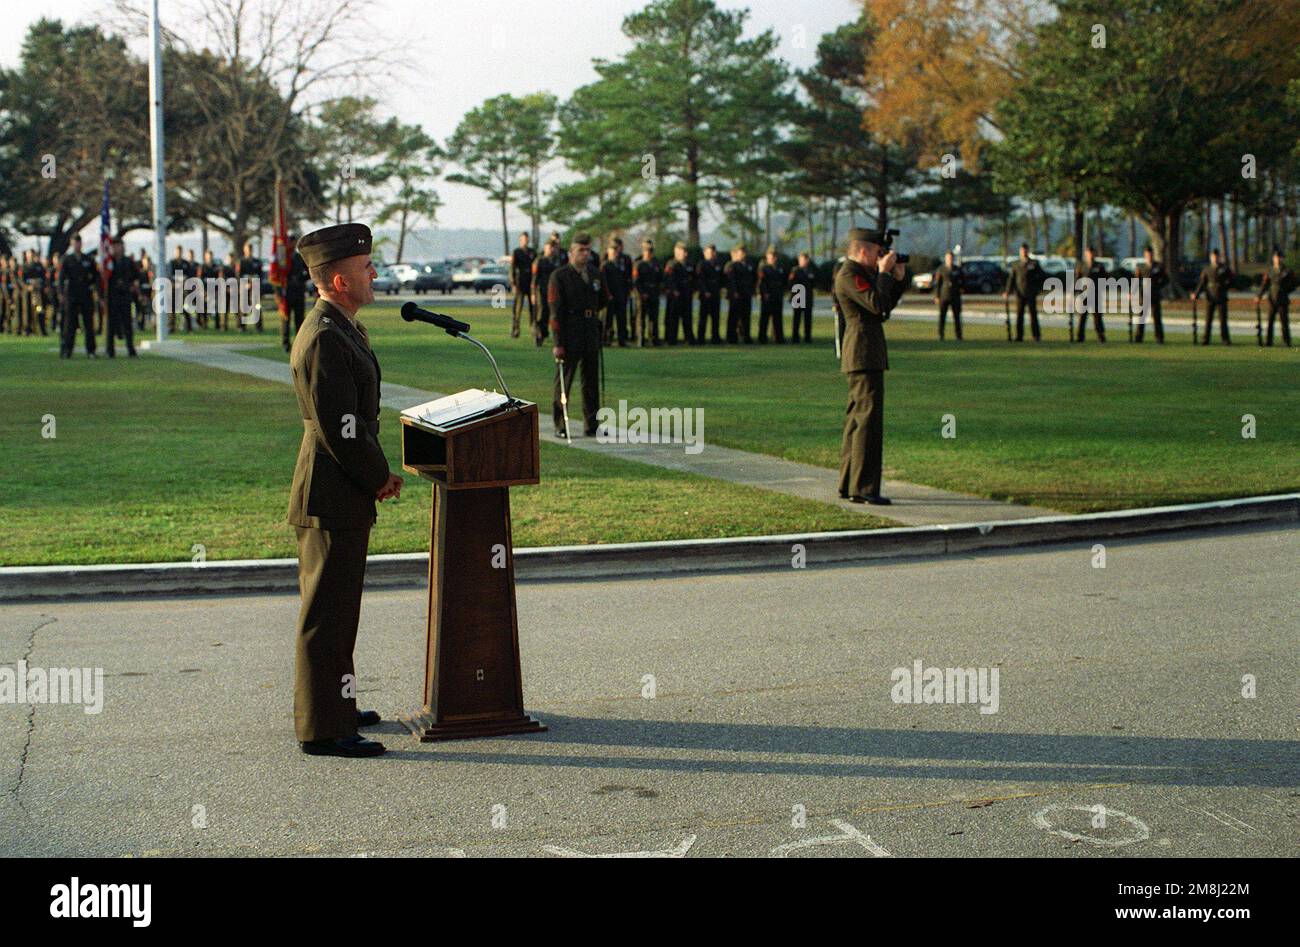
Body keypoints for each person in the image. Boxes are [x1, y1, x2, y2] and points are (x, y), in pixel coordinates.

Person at [287, 223, 402, 759]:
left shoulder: (342, 326)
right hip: (331, 489)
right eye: (364, 268)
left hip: (339, 488)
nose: (373, 273)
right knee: (327, 613)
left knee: (341, 608)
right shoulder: (326, 336)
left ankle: (338, 703)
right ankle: (323, 729)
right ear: (337, 279)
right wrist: (379, 475)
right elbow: (342, 427)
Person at [834, 228, 905, 505]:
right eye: (877, 252)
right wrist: (885, 275)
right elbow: (877, 305)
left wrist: (895, 280)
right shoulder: (850, 274)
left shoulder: (859, 274)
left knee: (857, 420)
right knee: (867, 422)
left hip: (866, 353)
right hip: (863, 354)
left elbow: (883, 307)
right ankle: (863, 487)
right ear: (863, 250)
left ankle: (849, 482)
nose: (880, 257)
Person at [549, 233, 604, 437]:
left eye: (588, 250)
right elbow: (555, 311)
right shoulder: (560, 276)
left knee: (591, 382)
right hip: (569, 333)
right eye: (581, 250)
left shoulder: (595, 274)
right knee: (564, 382)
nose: (585, 254)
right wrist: (557, 342)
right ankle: (560, 425)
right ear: (571, 252)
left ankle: (592, 425)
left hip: (589, 332)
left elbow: (603, 299)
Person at [58, 235, 97, 358]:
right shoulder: (67, 260)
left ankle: (91, 350)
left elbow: (95, 275)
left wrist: (92, 286)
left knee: (88, 324)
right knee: (70, 324)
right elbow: (61, 278)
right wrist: (61, 293)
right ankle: (67, 349)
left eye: (79, 243)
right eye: (75, 243)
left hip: (85, 294)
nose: (77, 245)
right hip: (72, 294)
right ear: (72, 244)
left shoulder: (88, 259)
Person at [103, 237, 139, 358]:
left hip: (125, 296)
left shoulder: (128, 261)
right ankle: (110, 350)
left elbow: (136, 275)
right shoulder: (108, 262)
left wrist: (133, 285)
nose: (117, 248)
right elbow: (102, 279)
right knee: (111, 325)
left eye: (119, 246)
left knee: (127, 324)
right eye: (114, 246)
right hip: (112, 296)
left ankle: (131, 349)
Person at [1002, 244, 1043, 342]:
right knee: (1019, 315)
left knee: (1033, 315)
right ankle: (1019, 336)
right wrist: (1008, 291)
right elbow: (1012, 279)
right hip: (1020, 293)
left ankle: (1036, 335)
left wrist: (1039, 289)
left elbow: (1041, 276)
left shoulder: (1034, 263)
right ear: (1020, 251)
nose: (1024, 252)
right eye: (1022, 251)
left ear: (1028, 251)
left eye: (1025, 250)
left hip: (1031, 292)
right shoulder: (1016, 264)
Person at [1193, 249, 1233, 345]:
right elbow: (1202, 283)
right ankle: (1205, 339)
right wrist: (1196, 294)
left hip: (1221, 296)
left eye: (1217, 256)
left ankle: (1225, 339)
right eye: (1213, 257)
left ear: (1219, 257)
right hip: (1210, 296)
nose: (1215, 258)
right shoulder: (1207, 269)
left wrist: (1225, 286)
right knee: (1208, 320)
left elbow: (1232, 280)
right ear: (1211, 258)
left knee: (1223, 320)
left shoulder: (1225, 268)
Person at [1256, 248, 1295, 347]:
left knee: (1284, 322)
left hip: (1282, 299)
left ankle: (1286, 341)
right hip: (1272, 299)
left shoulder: (1287, 271)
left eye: (1279, 257)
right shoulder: (1270, 271)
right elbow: (1265, 285)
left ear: (1282, 259)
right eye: (1276, 257)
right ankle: (1269, 341)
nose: (1278, 259)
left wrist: (1285, 291)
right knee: (1270, 321)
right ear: (1274, 259)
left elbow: (1293, 284)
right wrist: (1259, 296)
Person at [280, 234, 309, 351]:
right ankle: (285, 343)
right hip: (287, 292)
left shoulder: (299, 257)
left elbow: (308, 271)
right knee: (286, 319)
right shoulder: (282, 258)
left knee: (299, 319)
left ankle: (299, 343)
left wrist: (300, 279)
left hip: (298, 291)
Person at [662, 241, 695, 345]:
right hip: (675, 296)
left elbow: (693, 278)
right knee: (673, 318)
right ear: (676, 251)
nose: (685, 254)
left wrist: (693, 289)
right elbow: (669, 279)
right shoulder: (672, 264)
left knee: (687, 317)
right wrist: (674, 291)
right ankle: (671, 339)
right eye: (682, 251)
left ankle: (689, 339)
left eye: (686, 251)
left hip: (686, 294)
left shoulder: (689, 264)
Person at [1134, 245, 1168, 343]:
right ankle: (1138, 337)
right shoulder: (1141, 267)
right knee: (1141, 317)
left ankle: (1159, 338)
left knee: (1157, 317)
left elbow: (1166, 279)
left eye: (1151, 255)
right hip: (1144, 294)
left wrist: (1158, 285)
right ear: (1145, 255)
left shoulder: (1159, 266)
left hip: (1155, 293)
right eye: (1148, 255)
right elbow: (1137, 280)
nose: (1149, 257)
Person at [1075, 246, 1108, 343]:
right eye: (1088, 253)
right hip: (1085, 294)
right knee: (1082, 316)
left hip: (1096, 294)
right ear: (1086, 254)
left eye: (1092, 253)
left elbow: (1105, 278)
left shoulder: (1099, 266)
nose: (1090, 255)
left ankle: (1101, 336)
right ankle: (1080, 336)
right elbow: (1078, 279)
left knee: (1097, 316)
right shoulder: (1081, 266)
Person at [632, 239, 662, 347]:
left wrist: (658, 290)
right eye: (646, 250)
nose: (648, 253)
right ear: (643, 251)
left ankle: (653, 339)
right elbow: (636, 281)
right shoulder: (638, 264)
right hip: (642, 294)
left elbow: (660, 279)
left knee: (653, 317)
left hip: (653, 292)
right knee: (641, 317)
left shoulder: (656, 264)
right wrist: (642, 293)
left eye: (650, 250)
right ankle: (640, 339)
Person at [724, 244, 755, 343]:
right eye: (741, 252)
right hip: (736, 295)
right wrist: (734, 292)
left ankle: (746, 336)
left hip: (746, 294)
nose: (744, 254)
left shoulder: (748, 265)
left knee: (746, 316)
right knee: (733, 317)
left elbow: (752, 279)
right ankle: (731, 337)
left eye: (744, 252)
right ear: (736, 253)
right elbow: (731, 280)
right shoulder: (731, 265)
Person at [531, 240, 559, 347]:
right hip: (540, 291)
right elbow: (534, 278)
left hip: (552, 291)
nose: (551, 250)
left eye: (552, 247)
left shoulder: (557, 261)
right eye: (549, 247)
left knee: (550, 313)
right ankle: (538, 335)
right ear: (545, 248)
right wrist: (533, 293)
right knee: (541, 313)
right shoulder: (539, 260)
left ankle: (544, 333)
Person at [600, 242, 629, 346]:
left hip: (620, 295)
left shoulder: (621, 265)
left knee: (622, 319)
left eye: (616, 252)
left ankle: (622, 340)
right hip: (610, 296)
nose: (615, 254)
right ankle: (606, 339)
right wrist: (607, 294)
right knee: (608, 319)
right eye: (612, 252)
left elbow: (625, 279)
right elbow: (603, 282)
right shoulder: (605, 265)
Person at [756, 246, 786, 343]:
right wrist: (763, 293)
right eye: (771, 256)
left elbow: (782, 281)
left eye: (774, 256)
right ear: (767, 256)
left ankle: (778, 338)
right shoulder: (763, 267)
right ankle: (762, 338)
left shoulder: (779, 267)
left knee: (777, 318)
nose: (773, 258)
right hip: (767, 296)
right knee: (765, 318)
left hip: (777, 295)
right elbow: (761, 282)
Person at [509, 231, 536, 340]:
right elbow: (512, 268)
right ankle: (515, 330)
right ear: (520, 240)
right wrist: (513, 283)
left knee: (533, 309)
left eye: (527, 239)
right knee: (517, 309)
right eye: (523, 239)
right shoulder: (516, 252)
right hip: (520, 283)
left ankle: (534, 330)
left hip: (530, 283)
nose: (525, 241)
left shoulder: (532, 252)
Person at [696, 244, 724, 344]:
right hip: (706, 294)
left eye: (713, 252)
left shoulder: (718, 264)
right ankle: (700, 338)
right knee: (703, 317)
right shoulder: (702, 264)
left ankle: (715, 337)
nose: (711, 254)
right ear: (704, 253)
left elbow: (721, 278)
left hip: (715, 293)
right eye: (709, 252)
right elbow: (700, 280)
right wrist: (705, 291)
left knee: (715, 317)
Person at [932, 252, 963, 341]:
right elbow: (937, 284)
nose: (950, 260)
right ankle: (940, 335)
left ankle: (958, 335)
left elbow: (962, 281)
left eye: (951, 258)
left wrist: (961, 288)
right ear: (945, 259)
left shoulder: (957, 269)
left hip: (955, 296)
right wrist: (937, 296)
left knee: (957, 317)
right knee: (942, 316)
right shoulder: (941, 269)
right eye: (948, 258)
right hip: (944, 296)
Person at [788, 252, 816, 343]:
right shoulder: (795, 270)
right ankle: (795, 337)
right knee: (797, 318)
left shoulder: (811, 270)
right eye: (803, 259)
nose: (804, 261)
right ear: (799, 260)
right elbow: (791, 283)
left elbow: (814, 282)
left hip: (807, 296)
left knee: (808, 318)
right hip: (798, 296)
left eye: (806, 259)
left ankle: (807, 337)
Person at [238, 241, 265, 333]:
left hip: (255, 287)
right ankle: (241, 327)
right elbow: (239, 274)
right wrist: (247, 282)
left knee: (257, 307)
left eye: (250, 249)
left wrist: (254, 280)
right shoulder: (241, 261)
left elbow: (260, 274)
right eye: (247, 249)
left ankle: (259, 326)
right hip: (245, 287)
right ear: (244, 250)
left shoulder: (257, 261)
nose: (249, 251)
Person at [614, 237, 635, 342]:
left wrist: (630, 288)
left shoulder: (626, 258)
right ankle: (608, 337)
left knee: (622, 316)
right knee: (608, 317)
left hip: (623, 291)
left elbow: (629, 275)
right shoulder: (607, 259)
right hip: (611, 292)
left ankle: (622, 337)